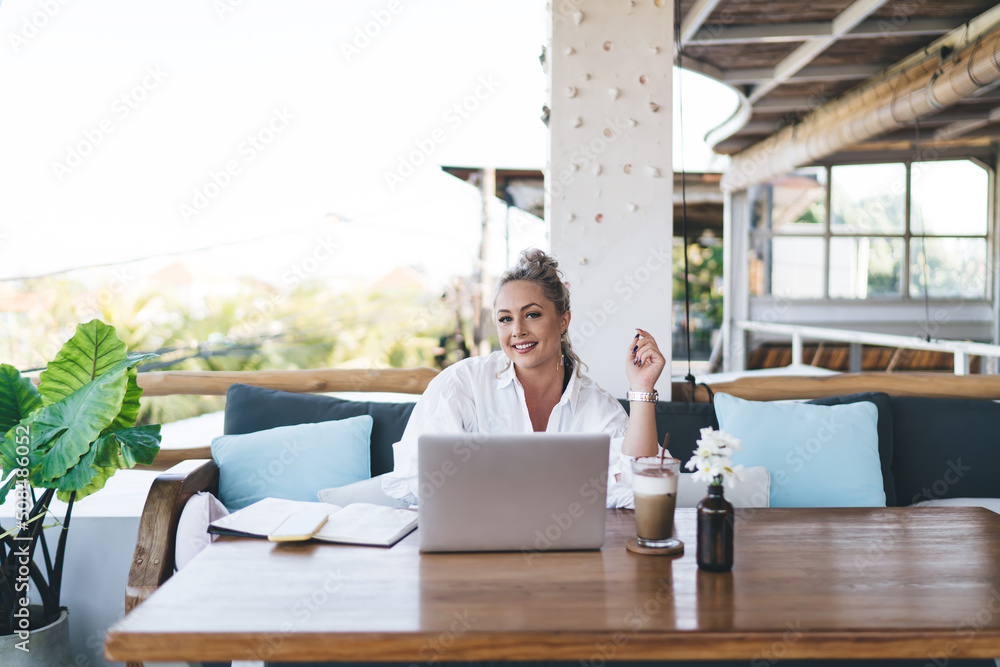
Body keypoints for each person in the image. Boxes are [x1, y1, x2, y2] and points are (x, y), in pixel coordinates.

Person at [381, 248, 664, 507]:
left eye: (532, 315)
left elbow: (644, 479)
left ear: (563, 320)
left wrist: (642, 387)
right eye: (505, 318)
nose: (517, 330)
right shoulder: (461, 384)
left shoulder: (594, 405)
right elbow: (419, 479)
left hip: (564, 552)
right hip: (475, 547)